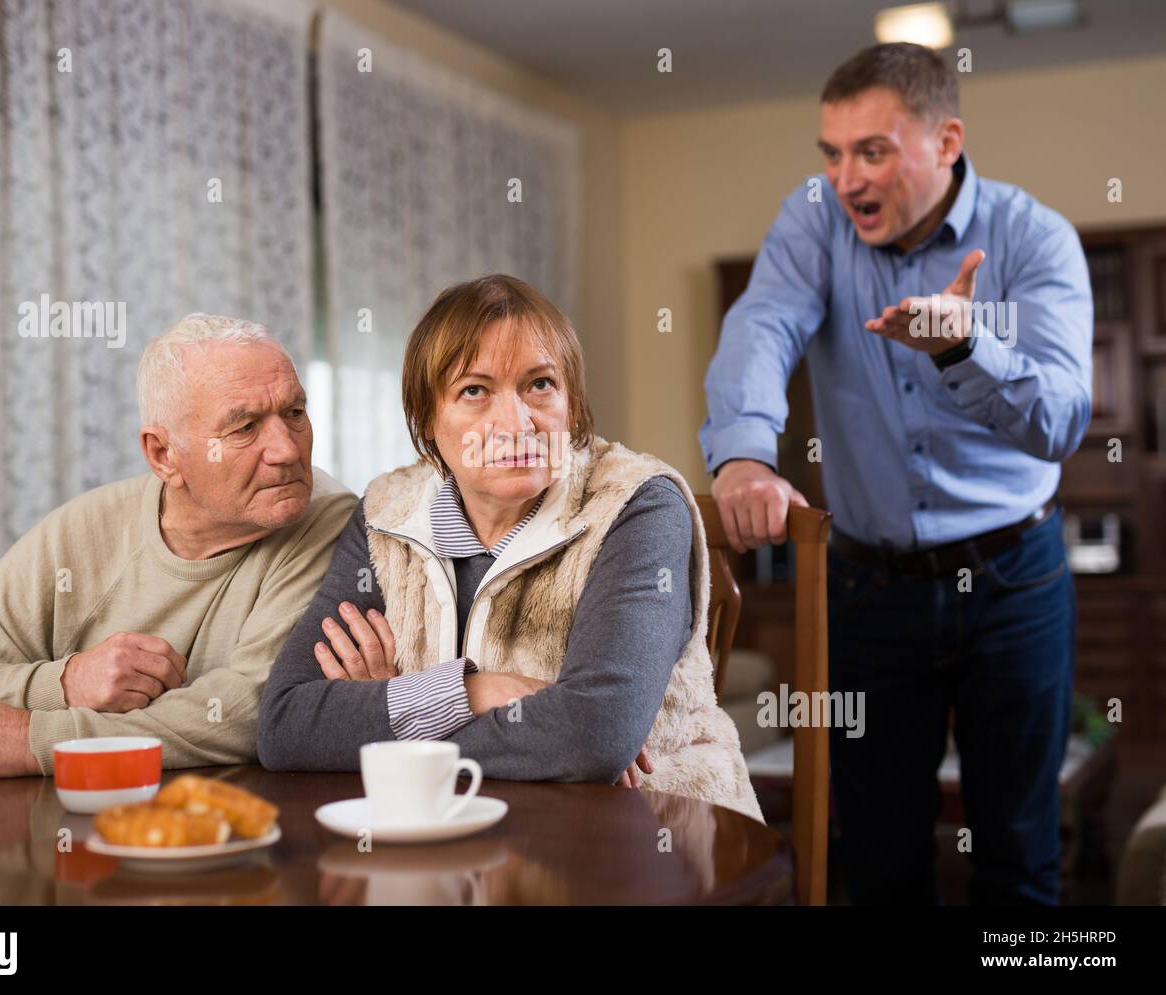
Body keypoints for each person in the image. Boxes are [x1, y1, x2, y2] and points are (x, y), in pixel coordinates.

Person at [700, 43, 1092, 903]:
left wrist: (964, 342)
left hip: (1015, 580)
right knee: (877, 858)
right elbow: (762, 327)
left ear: (946, 141)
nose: (846, 178)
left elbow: (1061, 421)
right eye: (831, 154)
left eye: (872, 151)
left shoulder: (1035, 240)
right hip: (868, 589)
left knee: (1019, 857)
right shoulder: (813, 221)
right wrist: (741, 457)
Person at [258, 274, 763, 822]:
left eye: (540, 384)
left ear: (571, 404)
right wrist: (478, 691)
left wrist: (393, 715)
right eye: (475, 391)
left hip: (653, 834)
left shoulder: (636, 504)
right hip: (465, 838)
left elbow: (593, 736)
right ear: (428, 420)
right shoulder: (387, 511)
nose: (516, 423)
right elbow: (286, 726)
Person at [0, 314, 356, 777]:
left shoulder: (333, 521)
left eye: (295, 413)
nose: (287, 450)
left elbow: (254, 712)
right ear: (163, 455)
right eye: (244, 428)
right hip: (70, 833)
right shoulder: (79, 531)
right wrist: (66, 683)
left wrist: (36, 740)